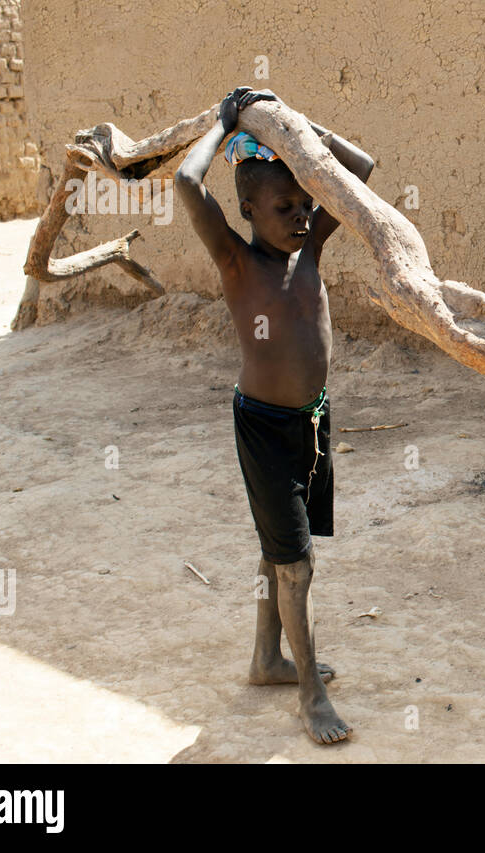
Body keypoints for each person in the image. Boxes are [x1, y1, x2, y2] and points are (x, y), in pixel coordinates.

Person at [175, 86, 374, 743]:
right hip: (263, 426)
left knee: (280, 549)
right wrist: (225, 121)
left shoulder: (310, 250)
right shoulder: (236, 262)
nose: (300, 216)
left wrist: (294, 122)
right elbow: (184, 179)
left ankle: (268, 659)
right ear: (248, 209)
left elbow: (362, 167)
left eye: (306, 205)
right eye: (284, 207)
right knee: (296, 564)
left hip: (312, 423)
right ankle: (310, 694)